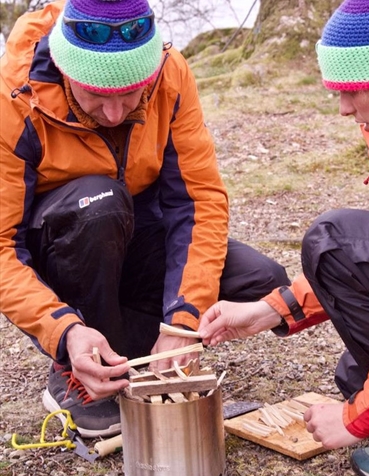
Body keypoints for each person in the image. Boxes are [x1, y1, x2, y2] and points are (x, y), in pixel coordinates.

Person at [197, 0, 369, 476]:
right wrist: (273, 310)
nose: (343, 108)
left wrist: (354, 420)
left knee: (333, 240)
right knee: (356, 372)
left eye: (350, 90)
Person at [0, 0, 289, 439]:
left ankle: (129, 351)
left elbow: (198, 203)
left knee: (261, 283)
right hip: (65, 246)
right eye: (97, 96)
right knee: (100, 200)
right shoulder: (15, 98)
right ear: (64, 69)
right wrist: (64, 331)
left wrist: (182, 321)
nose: (115, 114)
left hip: (136, 232)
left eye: (131, 94)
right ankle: (78, 364)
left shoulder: (170, 75)